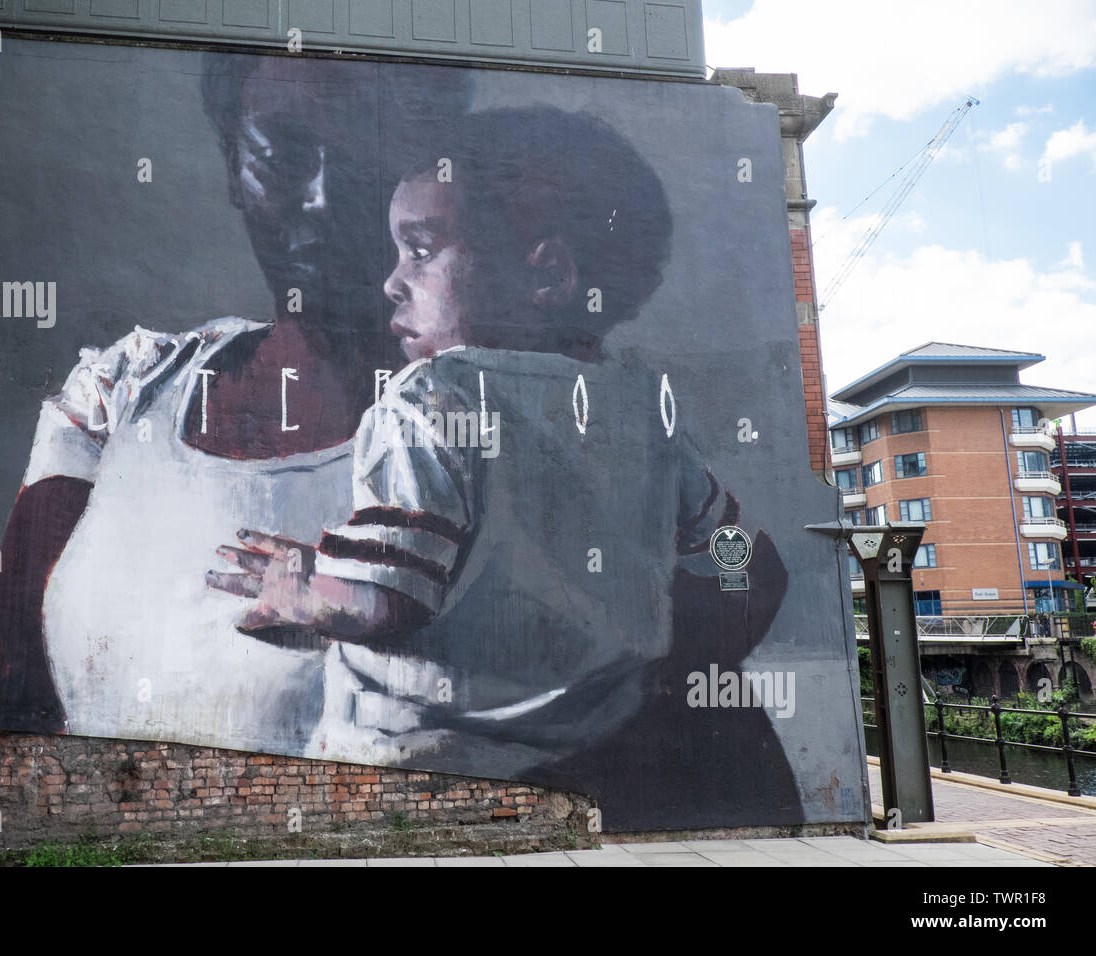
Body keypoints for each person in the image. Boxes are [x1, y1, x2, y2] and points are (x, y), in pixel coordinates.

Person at [210, 108, 801, 826]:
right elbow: (748, 563)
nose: (393, 283)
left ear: (547, 274)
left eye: (419, 251)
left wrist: (305, 591)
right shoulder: (642, 406)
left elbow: (385, 601)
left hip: (432, 769)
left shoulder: (427, 403)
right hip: (599, 739)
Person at [0, 54, 471, 750]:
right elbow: (1, 706)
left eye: (362, 164)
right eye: (285, 156)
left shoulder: (464, 439)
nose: (323, 199)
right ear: (235, 168)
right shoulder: (122, 392)